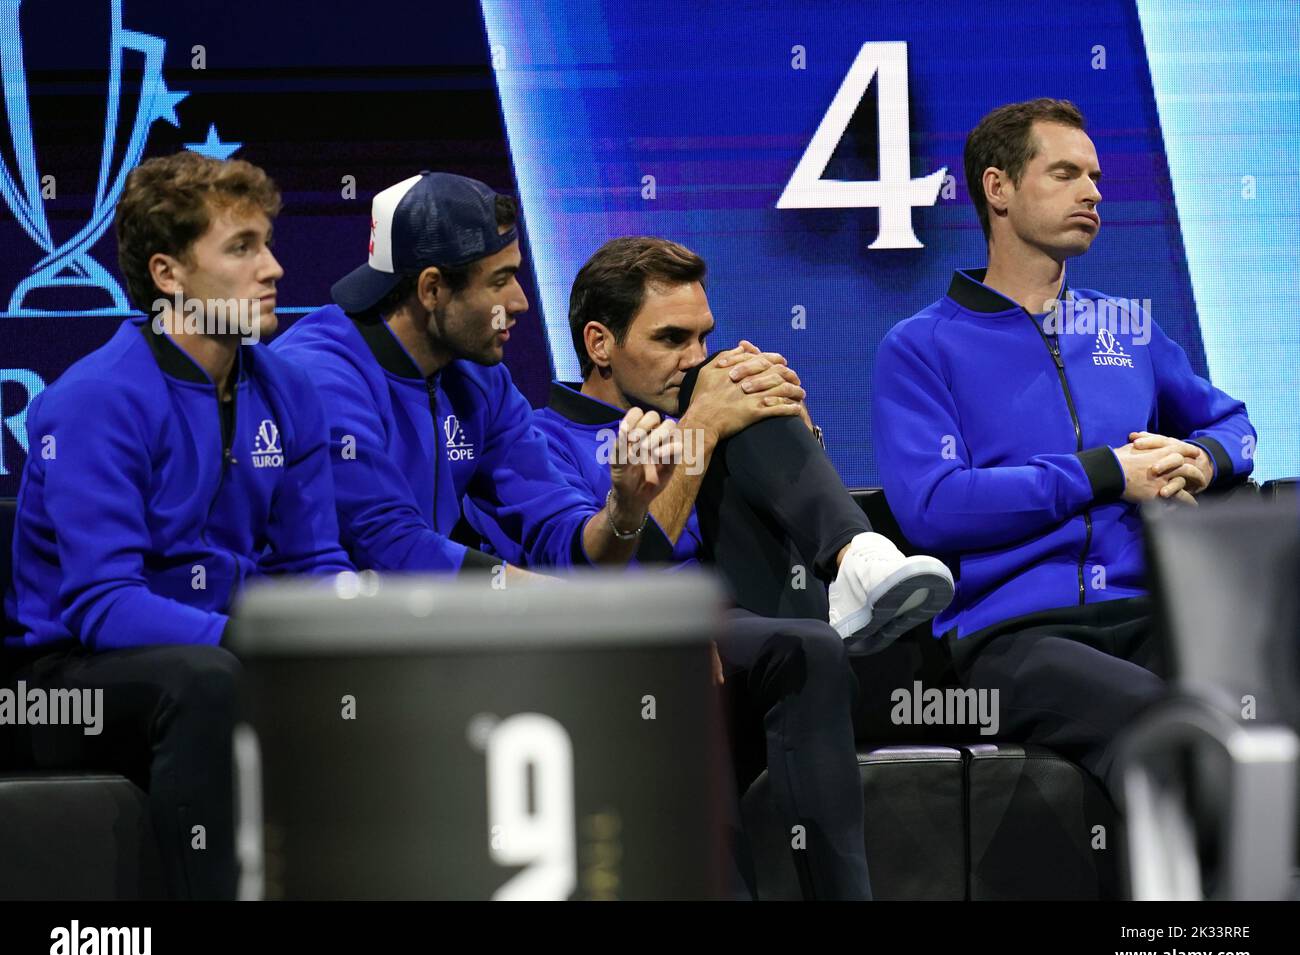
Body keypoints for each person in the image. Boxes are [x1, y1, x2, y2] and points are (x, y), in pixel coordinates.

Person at [471, 235, 955, 899]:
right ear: (600, 344)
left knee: (747, 389)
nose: (694, 358)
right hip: (637, 648)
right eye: (671, 338)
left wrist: (794, 424)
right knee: (778, 651)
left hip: (749, 616)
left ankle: (855, 557)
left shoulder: (706, 404)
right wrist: (702, 427)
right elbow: (601, 578)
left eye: (702, 335)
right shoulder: (537, 439)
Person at [871, 98, 1257, 792]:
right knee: (1171, 727)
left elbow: (1236, 425)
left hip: (1150, 615)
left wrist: (1203, 459)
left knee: (1258, 715)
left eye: (1097, 177)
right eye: (1065, 174)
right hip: (1016, 638)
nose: (1093, 193)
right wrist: (1105, 473)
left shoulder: (1126, 327)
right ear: (998, 189)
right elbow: (934, 507)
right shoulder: (921, 346)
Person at [3, 152, 354, 898]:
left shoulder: (288, 386)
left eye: (267, 241)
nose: (275, 268)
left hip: (217, 656)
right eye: (242, 248)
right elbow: (103, 606)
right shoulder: (97, 399)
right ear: (169, 275)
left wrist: (359, 629)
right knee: (208, 680)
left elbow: (315, 559)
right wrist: (263, 643)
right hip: (64, 685)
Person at [270, 173, 681, 579]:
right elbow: (388, 546)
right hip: (301, 624)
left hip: (410, 622)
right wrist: (565, 607)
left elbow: (559, 532)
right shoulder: (318, 374)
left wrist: (623, 511)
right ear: (432, 289)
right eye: (500, 280)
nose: (520, 301)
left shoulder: (483, 382)